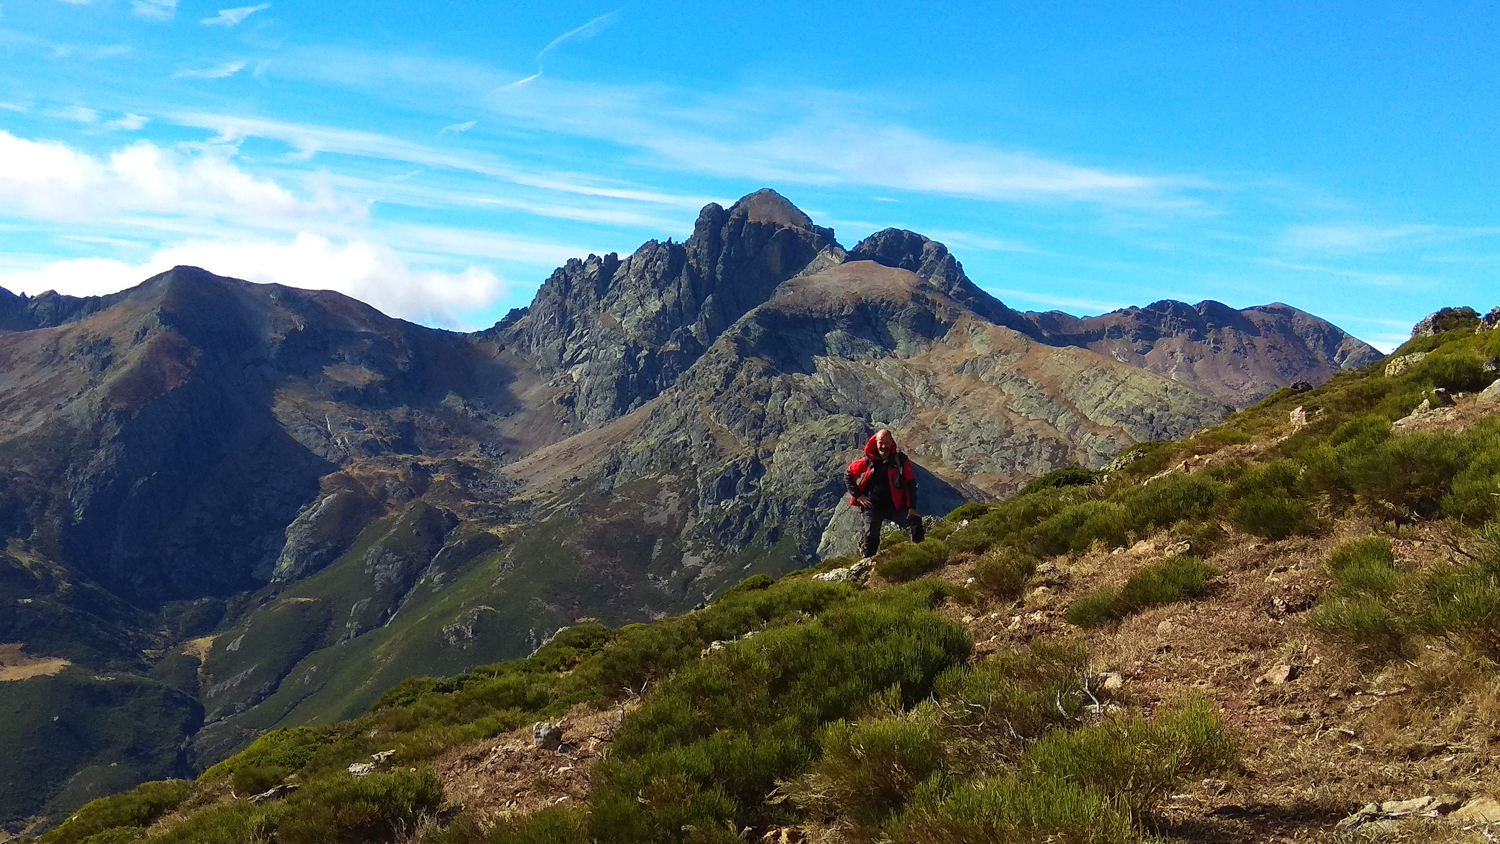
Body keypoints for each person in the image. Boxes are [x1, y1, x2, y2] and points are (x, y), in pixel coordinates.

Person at [846, 429, 924, 559]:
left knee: (915, 524)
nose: (884, 446)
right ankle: (866, 567)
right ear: (875, 443)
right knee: (871, 537)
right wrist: (858, 495)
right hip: (872, 506)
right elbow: (848, 474)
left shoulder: (900, 460)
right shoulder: (868, 460)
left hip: (896, 506)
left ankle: (920, 557)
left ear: (892, 442)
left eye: (886, 443)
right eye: (881, 443)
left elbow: (911, 483)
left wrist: (912, 508)